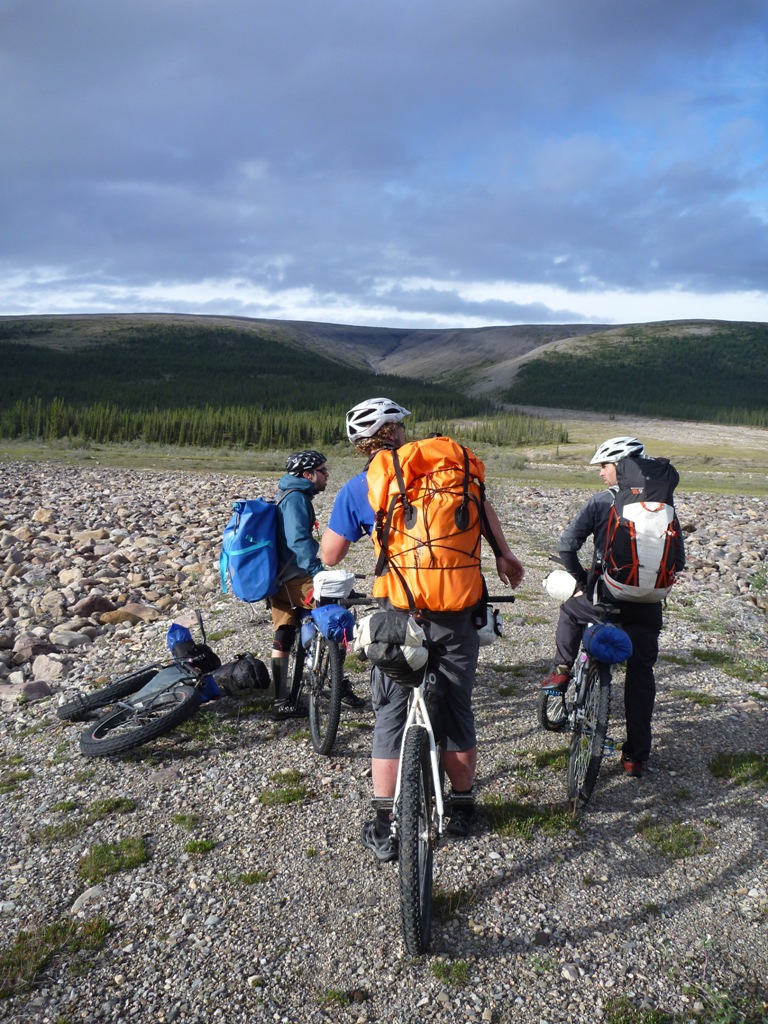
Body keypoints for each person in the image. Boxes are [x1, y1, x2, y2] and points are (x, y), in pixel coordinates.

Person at [321, 397, 525, 860]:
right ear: (397, 432)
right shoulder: (455, 476)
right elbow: (485, 515)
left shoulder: (361, 487)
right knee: (456, 706)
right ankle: (464, 806)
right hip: (457, 608)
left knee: (392, 710)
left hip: (397, 609)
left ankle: (383, 819)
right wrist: (505, 555)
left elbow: (330, 556)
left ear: (362, 443)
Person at [540, 436, 686, 777]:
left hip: (605, 602)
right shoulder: (664, 508)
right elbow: (677, 561)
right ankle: (635, 757)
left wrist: (581, 581)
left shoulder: (601, 502)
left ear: (620, 465)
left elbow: (566, 546)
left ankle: (562, 672)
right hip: (648, 607)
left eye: (604, 466)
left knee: (570, 611)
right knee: (641, 676)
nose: (601, 473)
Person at [270, 448, 365, 718]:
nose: (327, 475)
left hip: (277, 579)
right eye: (322, 471)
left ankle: (281, 702)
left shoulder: (285, 494)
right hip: (296, 578)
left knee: (284, 635)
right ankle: (337, 683)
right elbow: (298, 540)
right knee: (339, 609)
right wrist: (318, 572)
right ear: (307, 474)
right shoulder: (297, 498)